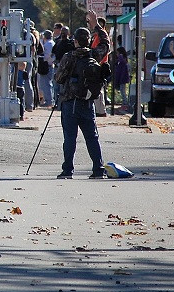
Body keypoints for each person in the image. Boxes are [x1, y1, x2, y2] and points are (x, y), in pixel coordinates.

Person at [53, 27, 107, 179]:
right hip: (87, 102)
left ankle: (68, 170)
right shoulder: (94, 55)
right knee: (92, 137)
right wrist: (98, 26)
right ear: (89, 41)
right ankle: (98, 169)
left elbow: (59, 78)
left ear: (75, 41)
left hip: (70, 102)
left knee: (70, 137)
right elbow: (106, 44)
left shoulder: (69, 57)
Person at [88, 12, 111, 116]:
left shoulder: (101, 37)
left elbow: (105, 46)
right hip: (95, 64)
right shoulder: (95, 37)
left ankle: (101, 111)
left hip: (100, 64)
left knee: (99, 89)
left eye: (101, 24)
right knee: (97, 89)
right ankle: (98, 110)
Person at [38, 30, 55, 108]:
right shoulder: (52, 42)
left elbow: (47, 55)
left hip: (47, 65)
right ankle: (50, 100)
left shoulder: (48, 44)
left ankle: (49, 101)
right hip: (50, 65)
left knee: (46, 84)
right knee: (48, 84)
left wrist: (41, 58)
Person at [112, 47, 130, 112]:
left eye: (118, 53)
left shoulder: (122, 61)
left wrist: (120, 56)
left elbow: (121, 69)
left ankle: (125, 103)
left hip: (122, 78)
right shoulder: (121, 62)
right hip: (122, 78)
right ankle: (124, 102)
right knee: (122, 91)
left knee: (123, 91)